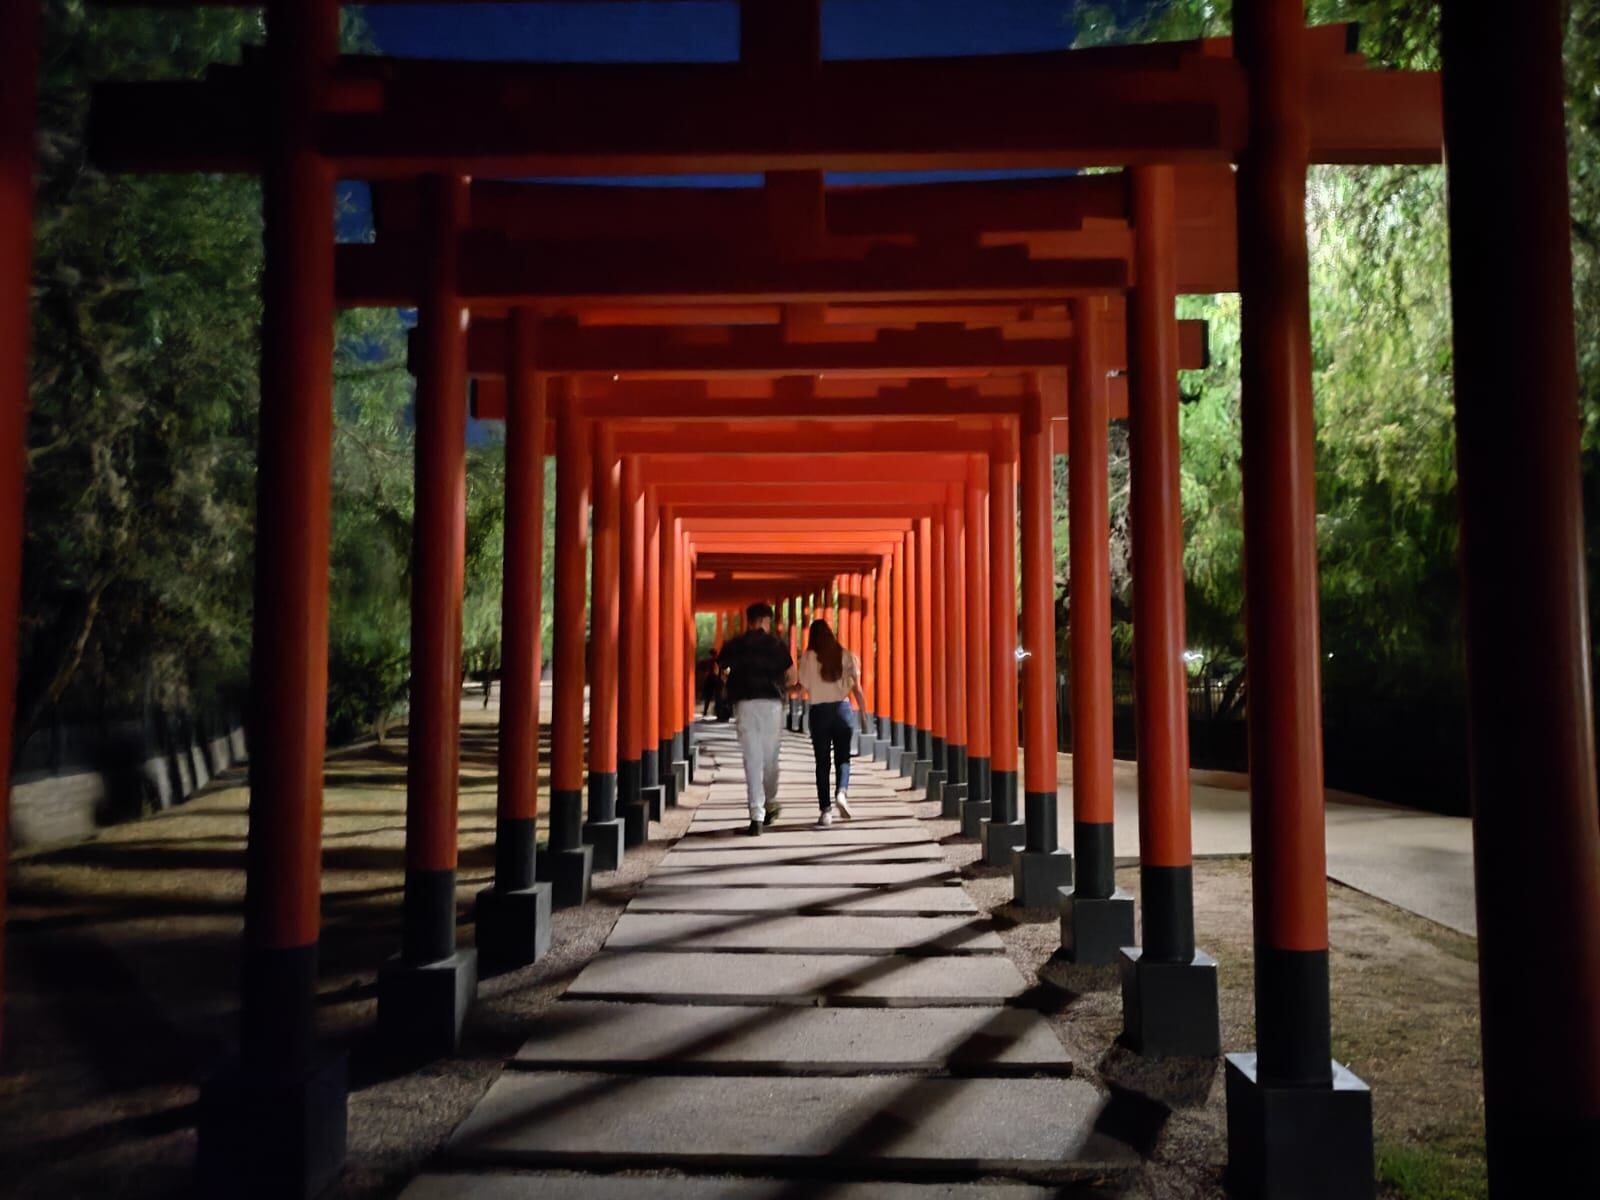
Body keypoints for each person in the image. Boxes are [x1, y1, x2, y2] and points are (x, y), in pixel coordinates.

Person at [718, 601, 796, 835]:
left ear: (748, 619)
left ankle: (756, 816)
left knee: (751, 758)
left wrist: (731, 683)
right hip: (771, 703)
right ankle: (770, 799)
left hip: (744, 704)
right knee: (770, 756)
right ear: (765, 620)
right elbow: (792, 676)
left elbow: (721, 670)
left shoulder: (735, 644)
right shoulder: (776, 645)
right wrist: (782, 685)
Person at [796, 618, 865, 828]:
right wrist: (863, 711)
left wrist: (787, 692)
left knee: (822, 762)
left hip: (819, 712)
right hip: (843, 710)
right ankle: (842, 792)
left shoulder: (808, 657)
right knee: (843, 757)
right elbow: (856, 688)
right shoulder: (845, 654)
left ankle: (826, 811)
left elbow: (802, 689)